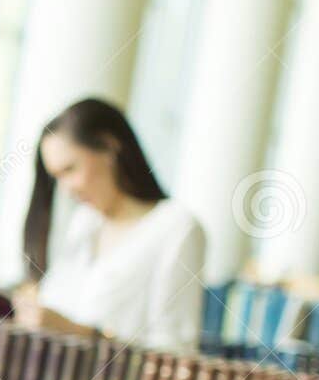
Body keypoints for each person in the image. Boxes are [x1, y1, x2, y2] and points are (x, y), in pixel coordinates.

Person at [15, 97, 206, 351]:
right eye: (57, 177)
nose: (66, 189)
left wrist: (83, 334)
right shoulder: (84, 223)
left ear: (109, 147)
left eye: (70, 169)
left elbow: (176, 352)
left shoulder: (176, 227)